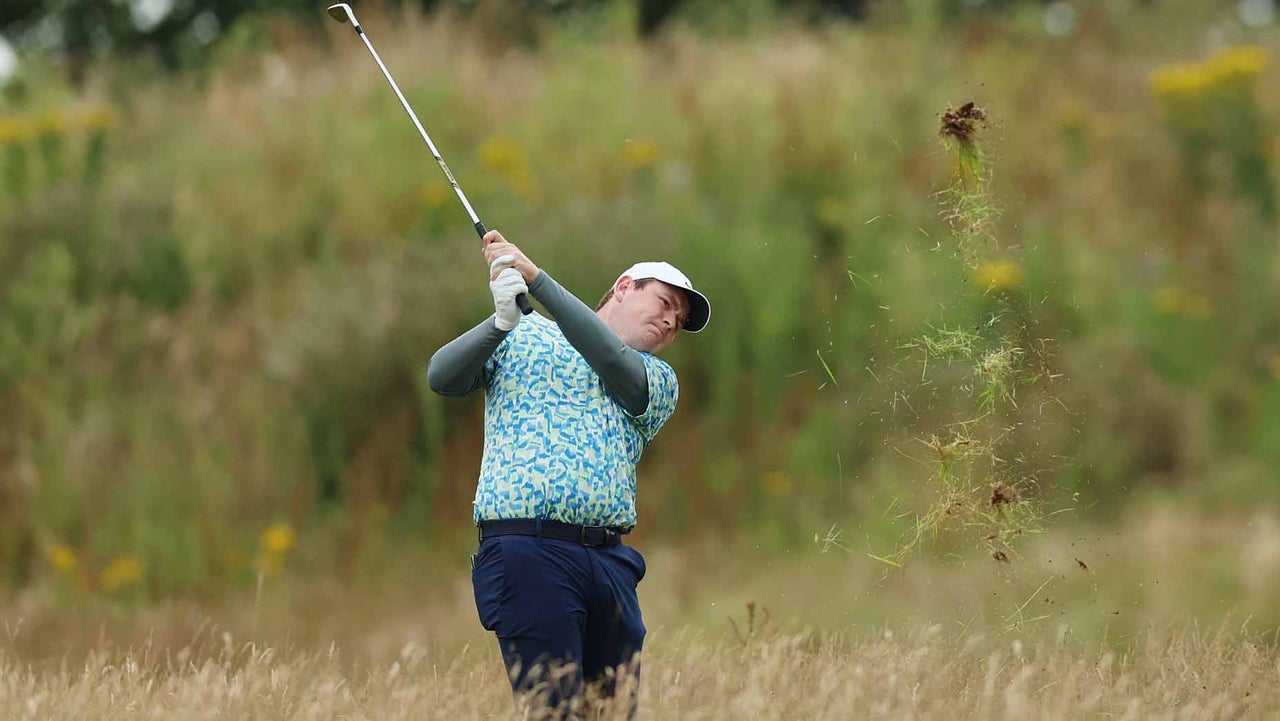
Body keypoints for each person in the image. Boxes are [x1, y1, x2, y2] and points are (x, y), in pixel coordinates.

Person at [426, 229, 710, 719]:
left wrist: (536, 279)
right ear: (624, 287)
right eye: (665, 303)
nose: (670, 321)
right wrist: (498, 323)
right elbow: (442, 378)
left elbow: (603, 354)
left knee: (611, 713)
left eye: (680, 322)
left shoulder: (655, 379)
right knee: (552, 712)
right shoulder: (522, 333)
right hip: (526, 552)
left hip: (609, 564)